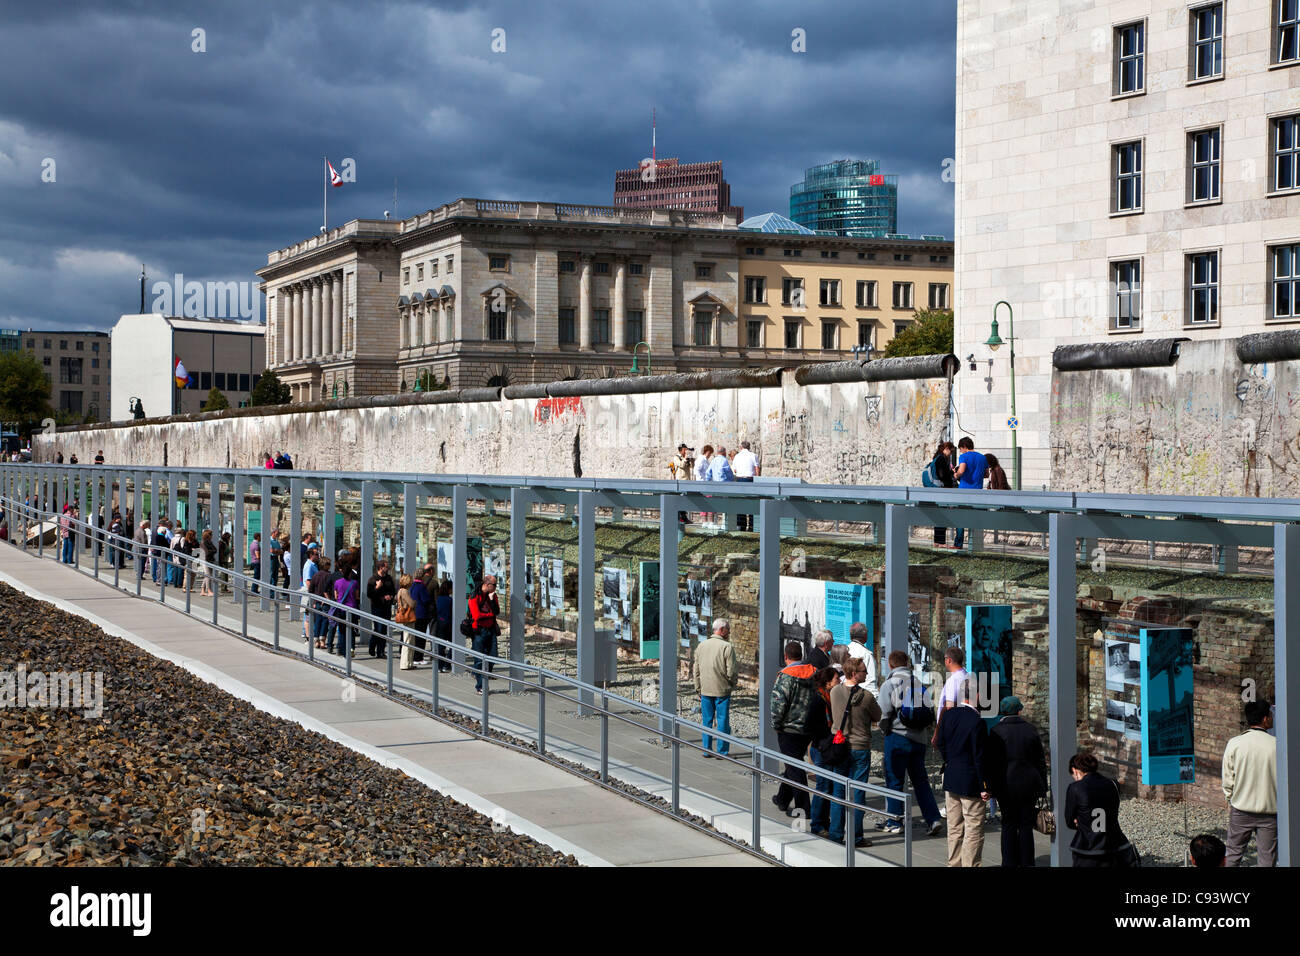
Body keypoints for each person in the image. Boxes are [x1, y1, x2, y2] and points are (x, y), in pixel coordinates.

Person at [878, 650, 944, 836]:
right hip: (919, 740)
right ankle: (933, 819)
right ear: (907, 663)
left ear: (890, 665)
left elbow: (883, 714)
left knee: (895, 780)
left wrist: (885, 731)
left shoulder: (889, 684)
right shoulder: (918, 683)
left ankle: (895, 821)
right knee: (921, 781)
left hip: (897, 738)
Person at [984, 695, 1047, 866]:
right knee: (1026, 824)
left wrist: (989, 787)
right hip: (1029, 784)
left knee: (1009, 823)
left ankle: (1009, 862)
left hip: (1005, 785)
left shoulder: (996, 731)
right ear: (1019, 710)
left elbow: (992, 763)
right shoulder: (1030, 729)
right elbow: (1040, 760)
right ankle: (1027, 862)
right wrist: (1043, 787)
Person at [827, 657, 882, 848]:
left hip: (840, 746)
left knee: (838, 791)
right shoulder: (866, 696)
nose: (866, 674)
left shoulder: (834, 691)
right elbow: (878, 715)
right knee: (858, 793)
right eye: (863, 671)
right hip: (860, 747)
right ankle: (855, 836)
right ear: (853, 673)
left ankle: (835, 833)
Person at [936, 681, 990, 867]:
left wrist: (950, 761)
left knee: (954, 827)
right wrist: (984, 785)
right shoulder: (977, 722)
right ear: (977, 696)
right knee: (974, 828)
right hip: (971, 781)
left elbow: (940, 743)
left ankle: (954, 864)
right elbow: (979, 757)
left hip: (951, 776)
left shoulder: (949, 715)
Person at [770, 640, 822, 819]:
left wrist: (776, 725)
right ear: (802, 654)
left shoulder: (785, 676)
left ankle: (803, 808)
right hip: (810, 727)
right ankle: (782, 798)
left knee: (794, 766)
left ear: (786, 657)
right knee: (793, 763)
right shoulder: (814, 673)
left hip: (790, 729)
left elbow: (778, 704)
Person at [1222, 701, 1277, 867]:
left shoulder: (1235, 743)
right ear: (1265, 719)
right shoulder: (1277, 745)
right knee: (1267, 859)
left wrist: (1229, 798)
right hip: (1270, 812)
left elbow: (1227, 778)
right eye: (1271, 715)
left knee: (1233, 854)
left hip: (1241, 809)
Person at [1064, 752, 1131, 867]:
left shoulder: (1075, 788)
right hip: (1113, 846)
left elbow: (1070, 821)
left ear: (1075, 770)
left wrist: (1081, 820)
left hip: (1087, 848)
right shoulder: (1113, 784)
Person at [693, 619, 738, 758]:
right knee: (722, 720)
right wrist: (732, 684)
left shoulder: (702, 646)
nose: (729, 631)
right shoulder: (727, 647)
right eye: (728, 629)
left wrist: (698, 687)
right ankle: (722, 751)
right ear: (722, 629)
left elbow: (696, 670)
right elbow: (731, 671)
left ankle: (707, 749)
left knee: (706, 720)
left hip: (705, 689)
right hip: (722, 689)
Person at [952, 437, 988, 550]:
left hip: (964, 491)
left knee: (960, 518)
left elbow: (961, 471)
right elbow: (986, 474)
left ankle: (958, 544)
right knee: (975, 517)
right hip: (977, 491)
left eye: (960, 449)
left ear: (964, 447)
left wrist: (956, 474)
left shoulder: (964, 456)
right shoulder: (982, 458)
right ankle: (975, 545)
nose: (961, 451)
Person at [468, 575, 501, 695]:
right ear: (487, 584)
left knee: (492, 656)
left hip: (491, 629)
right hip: (479, 631)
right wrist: (490, 615)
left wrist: (492, 601)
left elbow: (497, 611)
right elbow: (476, 616)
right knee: (479, 660)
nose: (496, 588)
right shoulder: (475, 595)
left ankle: (478, 674)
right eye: (494, 585)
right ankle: (480, 686)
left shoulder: (492, 596)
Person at [927, 440, 957, 546]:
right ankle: (940, 541)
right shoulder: (941, 459)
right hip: (941, 490)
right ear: (946, 449)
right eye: (951, 451)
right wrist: (951, 474)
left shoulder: (938, 458)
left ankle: (938, 541)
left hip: (938, 490)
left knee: (939, 516)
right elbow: (942, 475)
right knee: (942, 516)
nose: (951, 454)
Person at [366, 559, 396, 658]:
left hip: (386, 607)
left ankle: (381, 651)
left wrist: (390, 597)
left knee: (384, 629)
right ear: (380, 567)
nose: (387, 569)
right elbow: (369, 594)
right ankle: (372, 645)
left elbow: (393, 591)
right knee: (378, 629)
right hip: (377, 607)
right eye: (386, 567)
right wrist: (377, 588)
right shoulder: (373, 579)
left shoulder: (389, 578)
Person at [844, 621, 880, 695]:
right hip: (863, 696)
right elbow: (871, 681)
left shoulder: (845, 650)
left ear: (851, 636)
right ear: (865, 636)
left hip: (846, 693)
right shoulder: (866, 654)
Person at [731, 440, 760, 530]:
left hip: (740, 480)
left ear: (741, 447)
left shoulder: (737, 456)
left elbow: (734, 470)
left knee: (740, 503)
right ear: (749, 447)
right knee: (752, 503)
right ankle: (751, 525)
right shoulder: (753, 455)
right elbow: (757, 469)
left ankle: (741, 525)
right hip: (751, 480)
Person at [408, 568, 432, 664]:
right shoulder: (421, 587)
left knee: (416, 636)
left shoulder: (412, 585)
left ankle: (415, 656)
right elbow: (425, 600)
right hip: (422, 614)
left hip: (415, 613)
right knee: (421, 637)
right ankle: (419, 658)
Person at [309, 557, 334, 649]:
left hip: (317, 601)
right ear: (326, 565)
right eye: (329, 564)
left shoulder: (315, 575)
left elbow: (310, 589)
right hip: (326, 601)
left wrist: (314, 601)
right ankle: (322, 640)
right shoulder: (329, 575)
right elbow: (330, 589)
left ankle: (316, 641)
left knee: (317, 621)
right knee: (325, 621)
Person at [396, 573, 418, 669]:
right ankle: (405, 664)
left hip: (405, 618)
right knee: (408, 641)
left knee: (408, 640)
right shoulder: (405, 591)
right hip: (408, 618)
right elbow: (412, 604)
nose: (412, 581)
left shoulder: (400, 591)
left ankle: (409, 663)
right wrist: (415, 602)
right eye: (410, 580)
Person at [432, 578, 454, 673]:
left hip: (439, 623)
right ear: (449, 589)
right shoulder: (450, 600)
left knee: (440, 645)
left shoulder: (439, 599)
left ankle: (440, 665)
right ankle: (447, 663)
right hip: (448, 623)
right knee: (454, 645)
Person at [199, 529, 216, 597]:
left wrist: (211, 551)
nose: (212, 536)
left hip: (210, 560)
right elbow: (207, 552)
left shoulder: (210, 542)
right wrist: (211, 551)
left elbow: (215, 550)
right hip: (204, 560)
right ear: (207, 535)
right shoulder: (203, 543)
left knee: (208, 575)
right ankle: (209, 590)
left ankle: (202, 590)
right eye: (211, 534)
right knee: (208, 575)